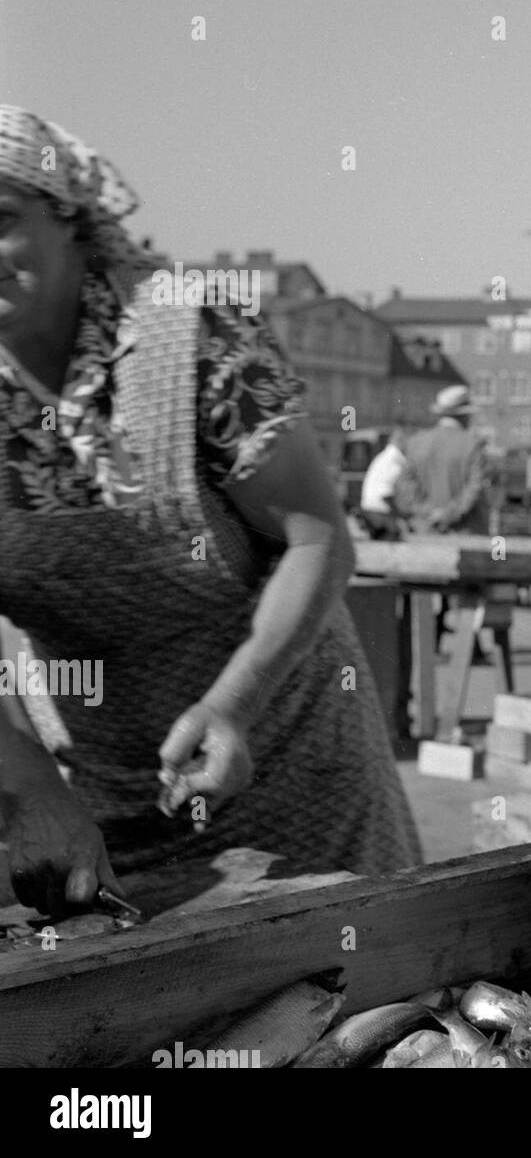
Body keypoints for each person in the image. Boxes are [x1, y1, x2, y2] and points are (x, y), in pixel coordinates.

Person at [0, 107, 421, 915]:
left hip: (281, 748)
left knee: (341, 991)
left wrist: (234, 704)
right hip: (86, 775)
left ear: (68, 218)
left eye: (0, 220)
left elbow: (316, 539)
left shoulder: (184, 333)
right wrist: (25, 784)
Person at [398, 385, 490, 534]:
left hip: (425, 529)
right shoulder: (473, 444)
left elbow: (406, 484)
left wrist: (427, 511)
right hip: (465, 531)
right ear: (464, 415)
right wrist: (449, 513)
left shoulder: (415, 442)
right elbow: (476, 486)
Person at [358, 427, 411, 539]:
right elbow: (385, 492)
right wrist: (400, 516)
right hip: (379, 514)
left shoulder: (384, 456)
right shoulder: (393, 460)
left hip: (370, 511)